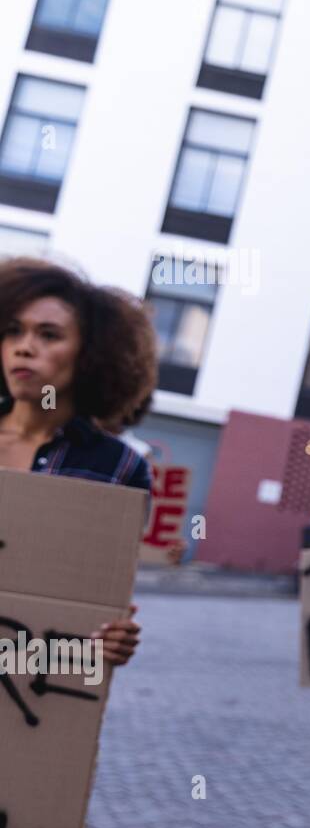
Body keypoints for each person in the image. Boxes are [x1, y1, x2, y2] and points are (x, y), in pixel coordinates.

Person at [0, 258, 155, 667]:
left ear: (88, 354)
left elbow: (93, 597)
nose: (24, 346)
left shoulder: (119, 468)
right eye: (12, 330)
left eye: (49, 335)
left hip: (27, 688)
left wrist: (111, 638)